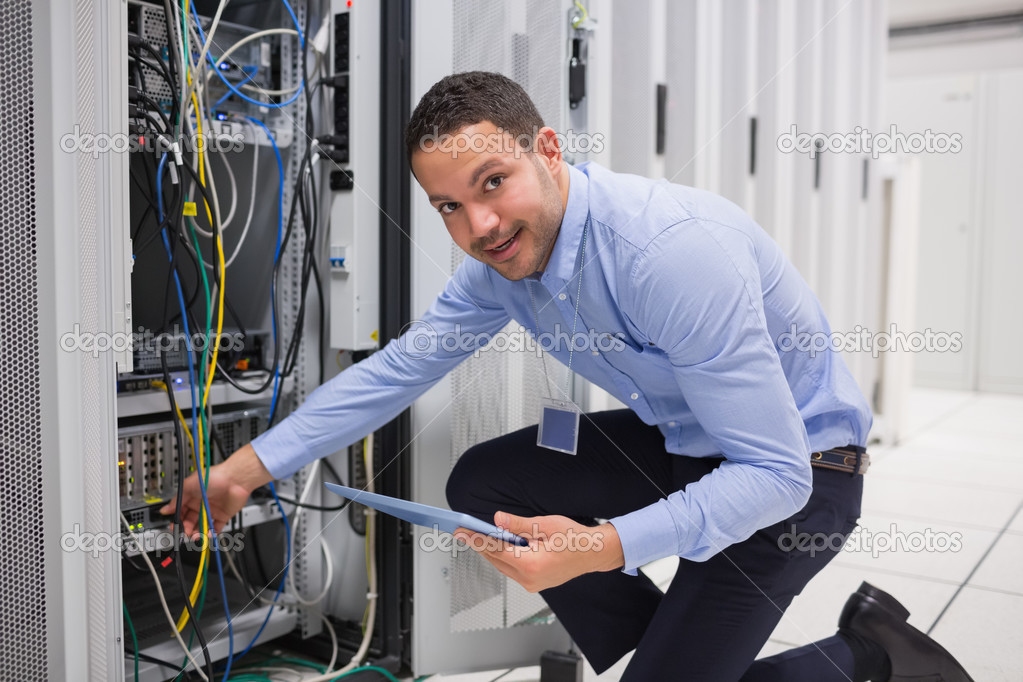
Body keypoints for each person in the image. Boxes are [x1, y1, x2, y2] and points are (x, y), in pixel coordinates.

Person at [164, 71, 972, 681]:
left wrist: (600, 547)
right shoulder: (499, 269)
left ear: (547, 150)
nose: (478, 225)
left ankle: (869, 659)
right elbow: (397, 371)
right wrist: (247, 467)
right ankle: (663, 654)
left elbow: (774, 476)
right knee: (488, 479)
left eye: (492, 183)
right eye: (447, 206)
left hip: (801, 475)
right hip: (686, 446)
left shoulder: (667, 255)